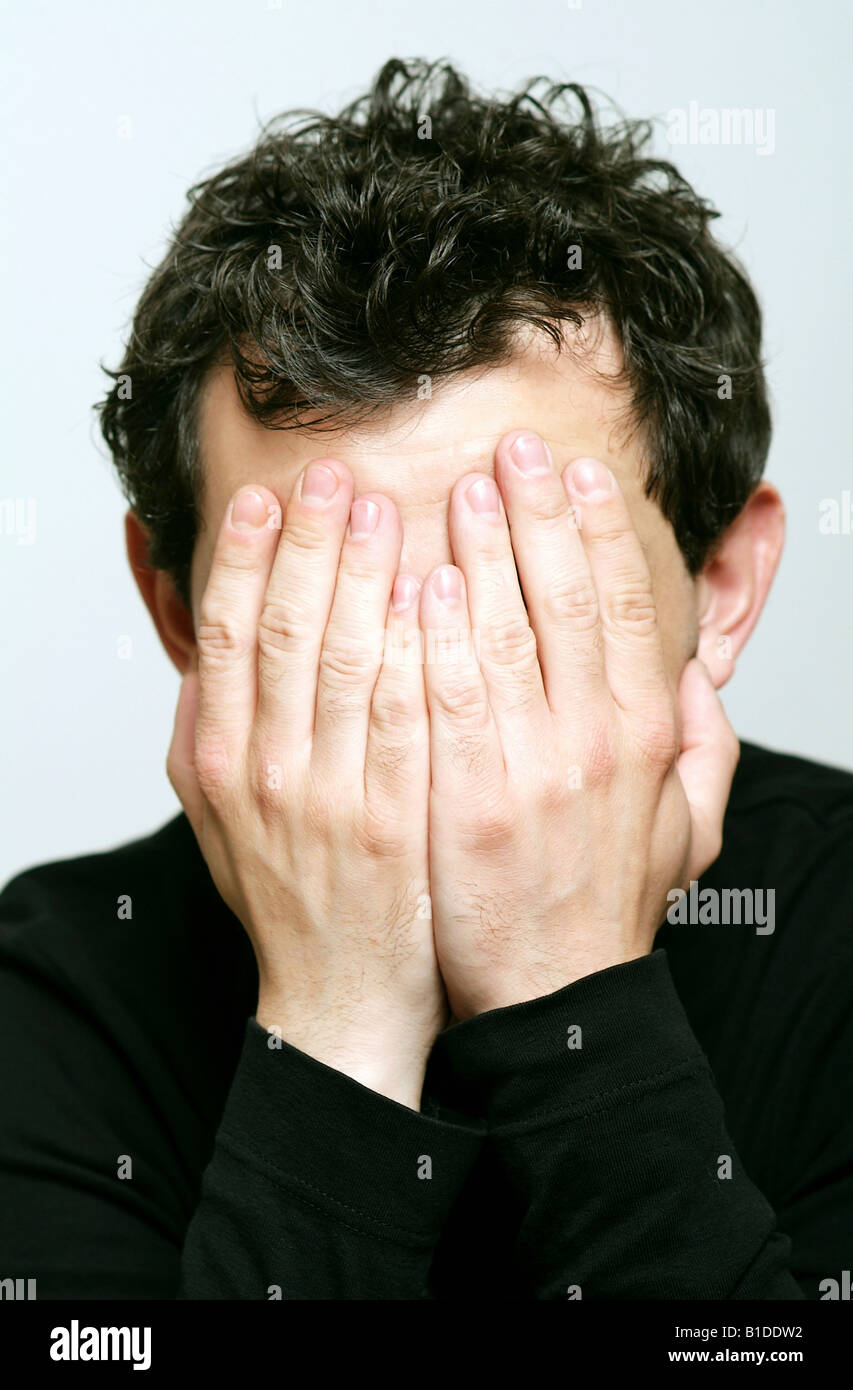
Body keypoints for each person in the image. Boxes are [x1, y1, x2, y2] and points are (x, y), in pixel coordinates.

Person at [1, 58, 850, 1301]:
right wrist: (341, 1019)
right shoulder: (51, 1011)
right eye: (324, 595)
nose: (428, 690)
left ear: (721, 587)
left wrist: (570, 990)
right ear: (179, 610)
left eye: (513, 583)